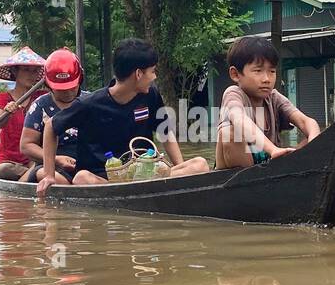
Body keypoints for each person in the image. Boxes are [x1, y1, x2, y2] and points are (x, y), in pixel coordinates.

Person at [37, 38, 209, 196]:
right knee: (81, 178)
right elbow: (51, 127)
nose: (155, 77)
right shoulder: (89, 104)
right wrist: (49, 175)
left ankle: (144, 191)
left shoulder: (151, 96)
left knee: (200, 164)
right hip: (106, 180)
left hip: (147, 173)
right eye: (153, 72)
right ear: (139, 74)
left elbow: (165, 132)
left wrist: (178, 170)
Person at [215, 36, 321, 170]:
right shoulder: (233, 94)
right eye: (258, 71)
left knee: (311, 139)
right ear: (235, 74)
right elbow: (239, 119)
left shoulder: (274, 97)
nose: (266, 79)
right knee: (229, 133)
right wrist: (273, 149)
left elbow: (307, 122)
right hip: (238, 170)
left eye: (272, 71)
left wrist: (314, 146)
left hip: (268, 165)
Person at [20, 49, 88, 183]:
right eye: (61, 90)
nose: (67, 92)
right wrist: (56, 159)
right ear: (48, 84)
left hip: (87, 166)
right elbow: (26, 145)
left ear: (80, 79)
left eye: (71, 87)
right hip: (50, 167)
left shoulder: (91, 102)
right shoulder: (40, 106)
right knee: (53, 179)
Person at [0, 47, 46, 181]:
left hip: (34, 158)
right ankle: (32, 176)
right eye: (26, 70)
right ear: (15, 71)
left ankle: (32, 175)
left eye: (35, 71)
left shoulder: (42, 97)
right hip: (9, 162)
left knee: (39, 166)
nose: (32, 75)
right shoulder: (3, 98)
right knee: (2, 170)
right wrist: (7, 113)